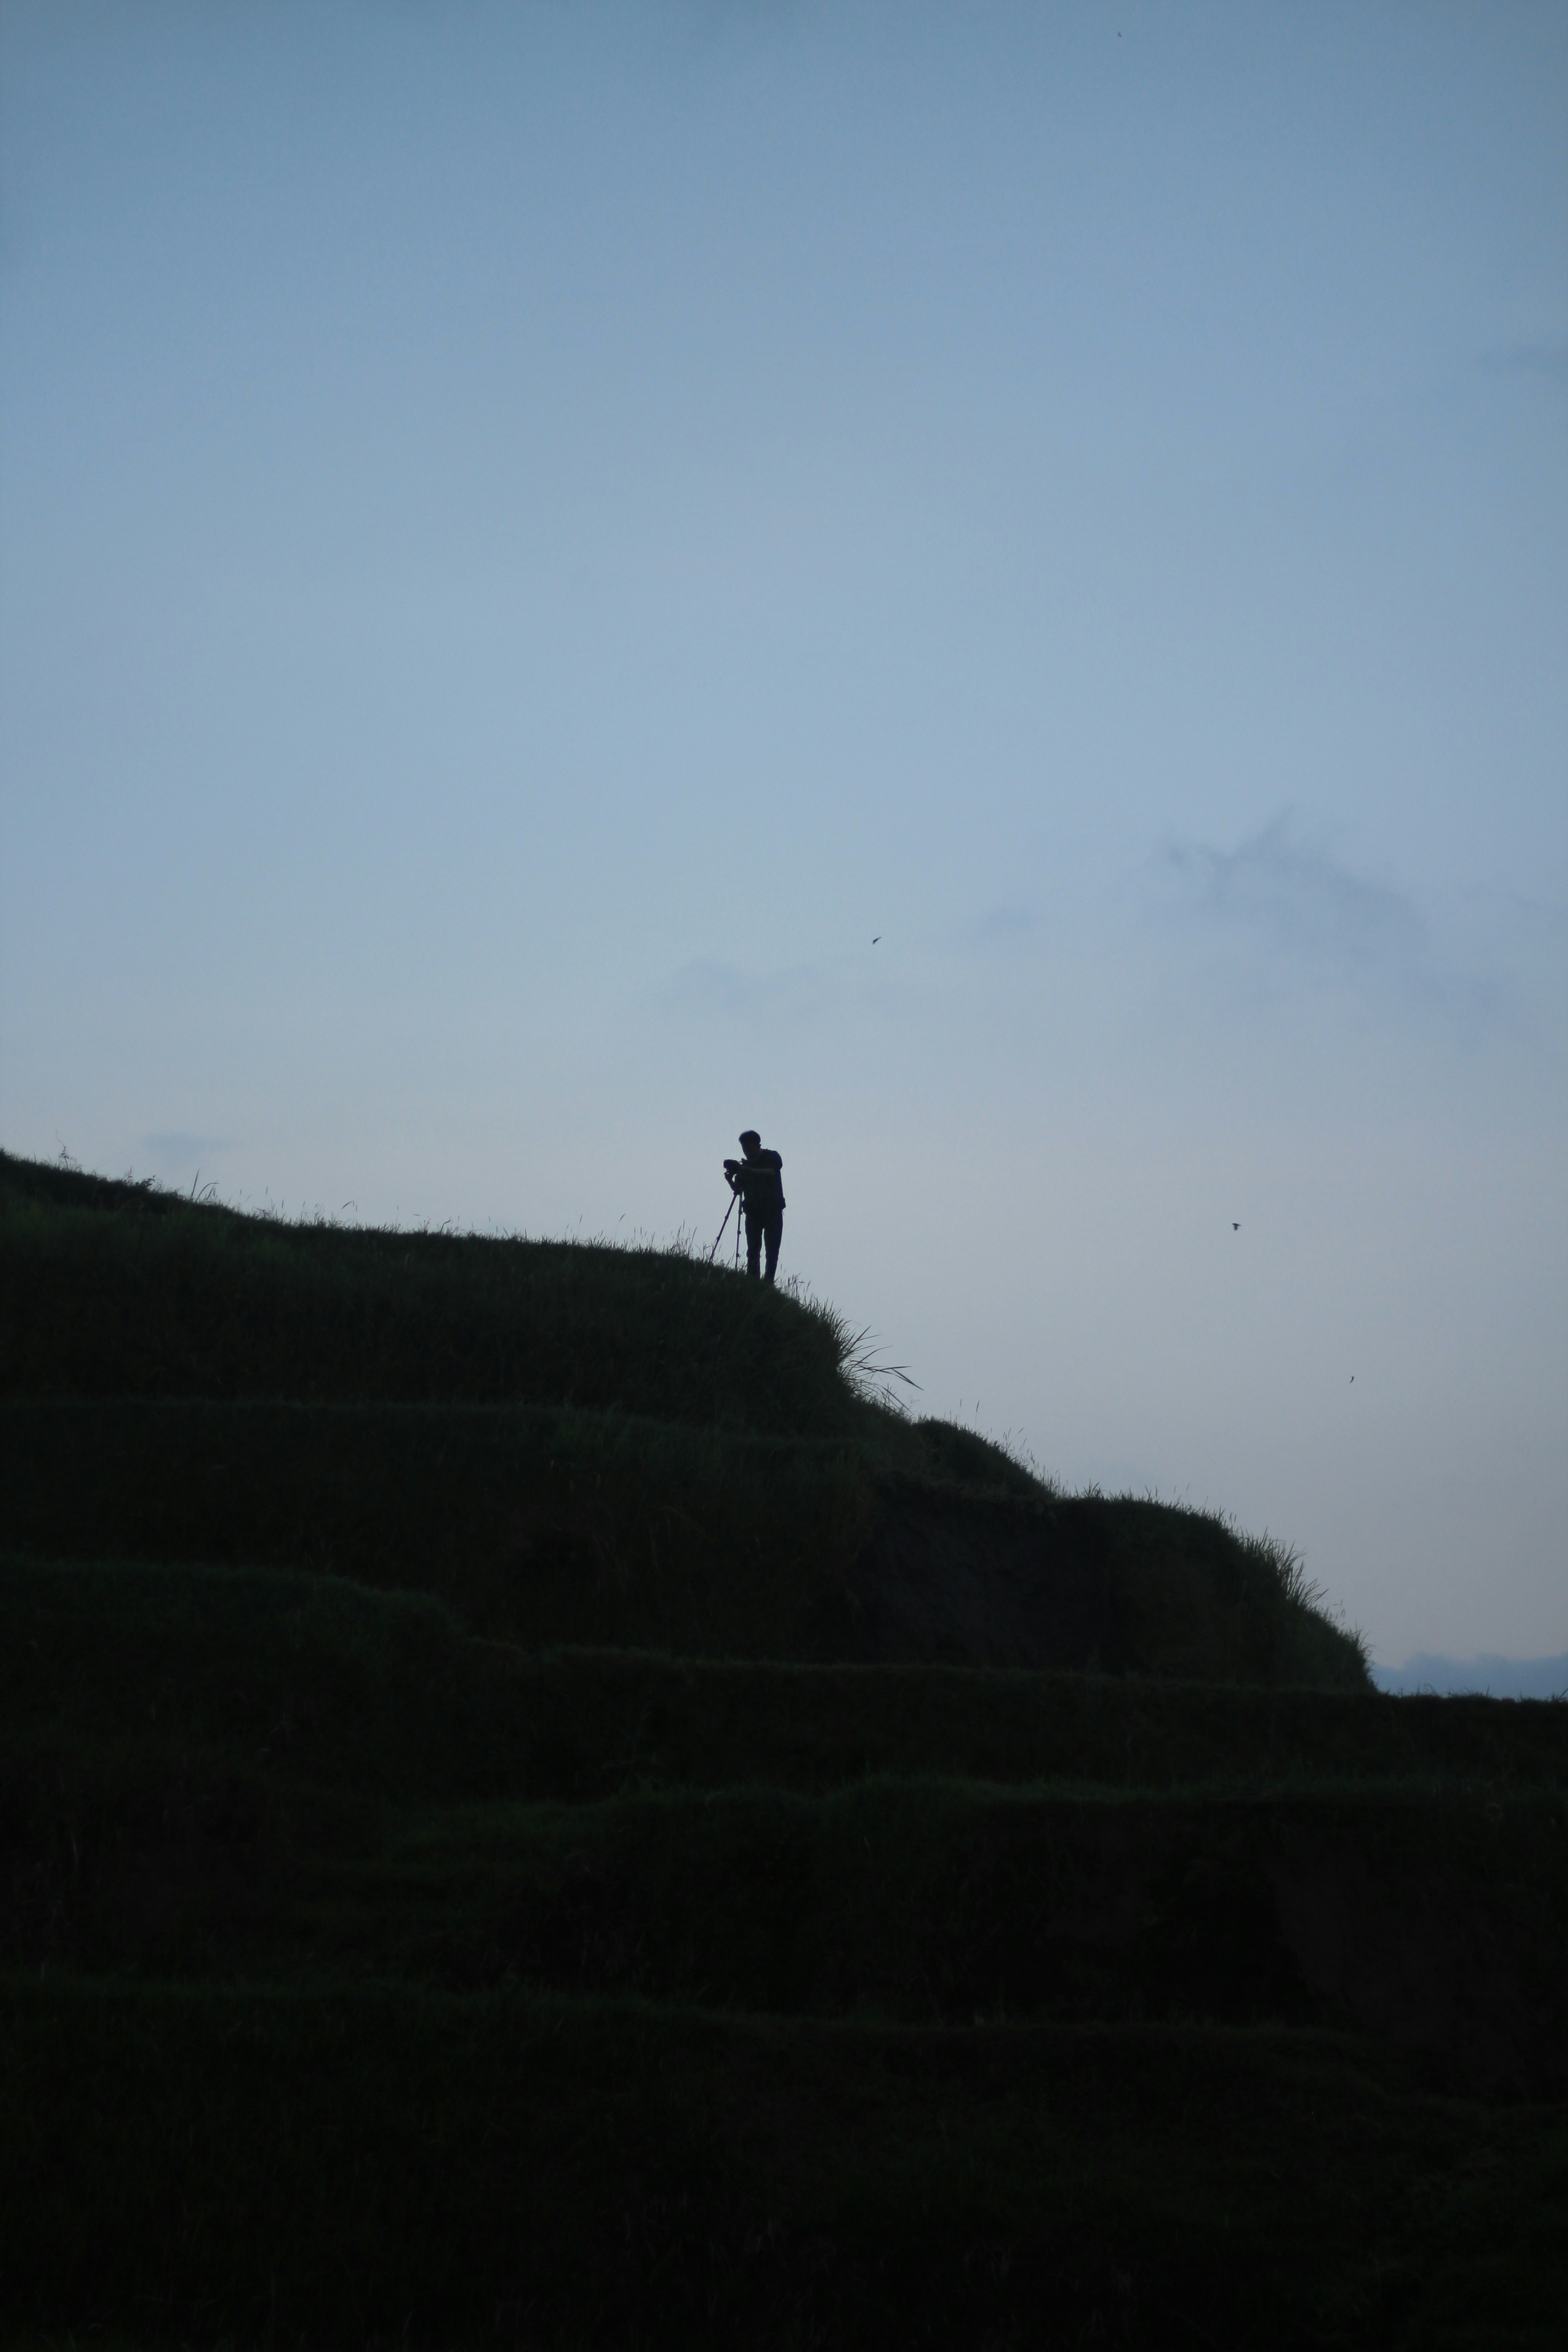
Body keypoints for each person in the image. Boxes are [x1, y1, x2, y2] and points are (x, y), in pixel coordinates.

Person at [723, 1130, 785, 1284]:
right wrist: (730, 1180)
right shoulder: (744, 1167)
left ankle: (768, 1284)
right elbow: (738, 1191)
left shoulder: (772, 1157)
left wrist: (748, 1170)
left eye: (749, 1147)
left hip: (773, 1211)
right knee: (753, 1250)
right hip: (753, 1213)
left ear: (758, 1145)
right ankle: (752, 1283)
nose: (747, 1151)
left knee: (772, 1251)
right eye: (744, 1148)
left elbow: (772, 1172)